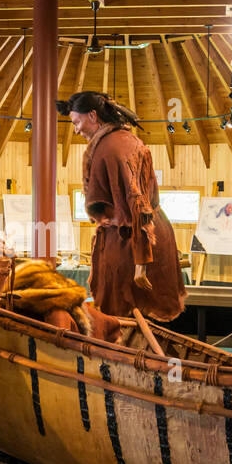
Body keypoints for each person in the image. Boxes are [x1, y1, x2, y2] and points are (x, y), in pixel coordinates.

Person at [61, 91, 186, 323]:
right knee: (139, 318)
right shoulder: (124, 141)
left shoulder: (112, 148)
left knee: (122, 318)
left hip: (132, 242)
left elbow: (136, 202)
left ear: (92, 115)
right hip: (143, 237)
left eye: (77, 122)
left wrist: (141, 262)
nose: (76, 130)